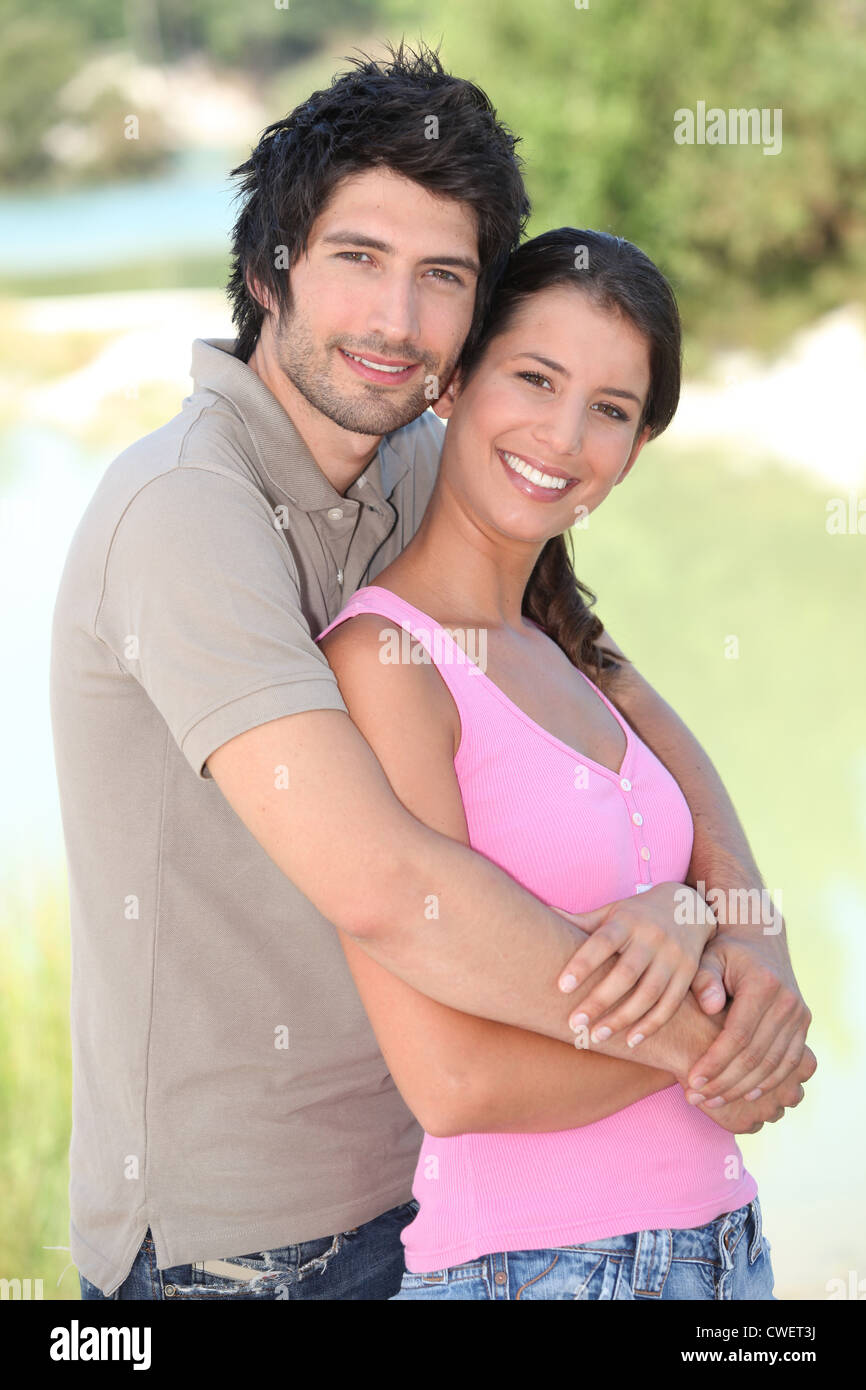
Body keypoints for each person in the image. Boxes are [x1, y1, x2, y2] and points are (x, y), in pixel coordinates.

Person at [49, 43, 811, 1303]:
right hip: (244, 1250)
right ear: (266, 270)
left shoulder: (408, 466)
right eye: (357, 260)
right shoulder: (187, 512)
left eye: (440, 277)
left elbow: (612, 683)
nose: (394, 321)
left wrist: (735, 915)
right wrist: (712, 1039)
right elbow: (389, 883)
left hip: (431, 1198)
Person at [316, 228, 816, 1301]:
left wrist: (713, 923)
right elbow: (453, 1080)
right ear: (453, 383)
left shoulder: (572, 647)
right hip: (537, 1270)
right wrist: (714, 1037)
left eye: (609, 408)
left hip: (721, 1249)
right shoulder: (385, 659)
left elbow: (707, 821)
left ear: (634, 449)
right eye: (533, 378)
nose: (560, 434)